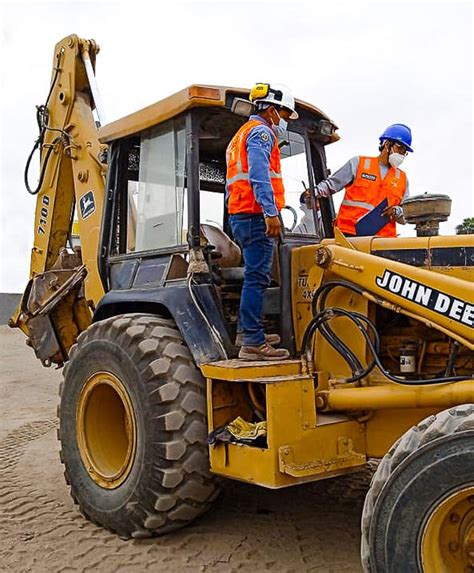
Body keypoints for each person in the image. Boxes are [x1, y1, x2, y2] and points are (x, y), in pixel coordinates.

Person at [226, 83, 298, 361]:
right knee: (257, 278)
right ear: (271, 110)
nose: (284, 121)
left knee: (254, 276)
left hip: (242, 214)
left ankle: (248, 331)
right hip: (256, 216)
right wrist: (270, 212)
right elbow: (258, 174)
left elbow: (233, 185)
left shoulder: (238, 137)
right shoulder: (261, 133)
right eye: (284, 113)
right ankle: (254, 342)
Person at [313, 124, 413, 237]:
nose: (401, 155)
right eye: (400, 148)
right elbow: (331, 185)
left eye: (404, 152)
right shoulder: (359, 163)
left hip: (383, 242)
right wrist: (313, 193)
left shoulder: (402, 179)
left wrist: (396, 211)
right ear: (387, 144)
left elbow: (407, 215)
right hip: (349, 235)